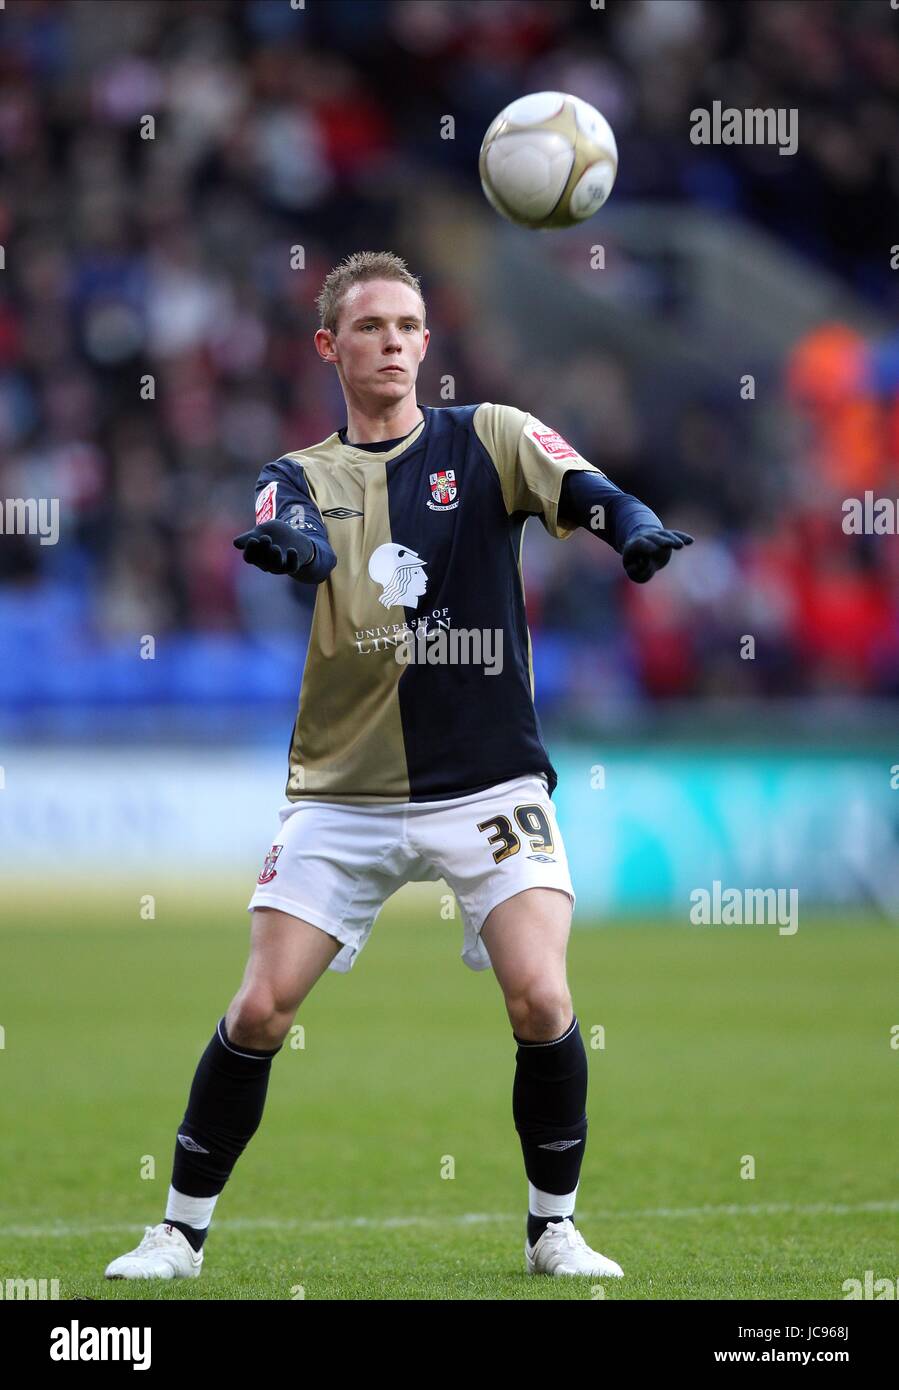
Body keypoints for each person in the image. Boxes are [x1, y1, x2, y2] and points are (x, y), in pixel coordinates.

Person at [105, 251, 691, 1283]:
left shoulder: (490, 438)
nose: (392, 341)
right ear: (330, 346)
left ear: (427, 341)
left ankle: (552, 1226)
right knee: (258, 1010)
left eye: (408, 324)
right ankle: (177, 1233)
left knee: (541, 999)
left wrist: (631, 529)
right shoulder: (299, 475)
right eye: (369, 326)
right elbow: (278, 520)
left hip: (491, 781)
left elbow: (591, 490)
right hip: (347, 790)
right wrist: (290, 549)